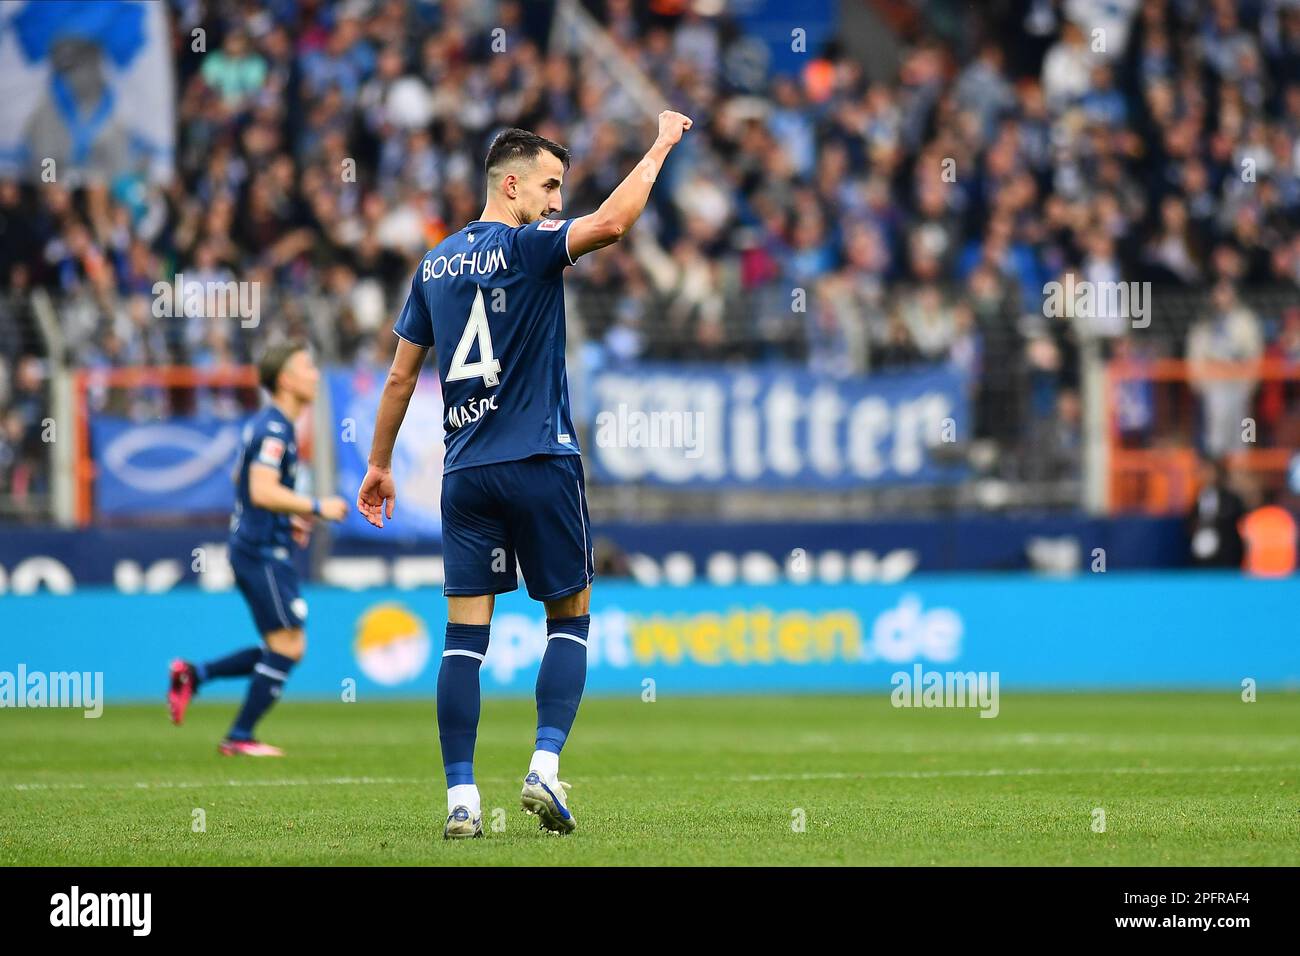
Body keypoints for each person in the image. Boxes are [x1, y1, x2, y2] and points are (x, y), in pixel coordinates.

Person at [356, 112, 694, 839]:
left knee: (461, 640)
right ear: (510, 185)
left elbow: (396, 380)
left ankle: (461, 801)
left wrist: (379, 464)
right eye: (547, 186)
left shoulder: (433, 265)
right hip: (541, 459)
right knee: (568, 618)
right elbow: (611, 224)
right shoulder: (530, 244)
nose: (554, 201)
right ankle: (543, 765)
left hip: (467, 471)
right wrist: (662, 143)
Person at [167, 342, 348, 755]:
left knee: (281, 646)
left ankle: (194, 675)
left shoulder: (265, 424)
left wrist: (287, 518)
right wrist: (316, 507)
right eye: (306, 366)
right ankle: (239, 735)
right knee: (290, 646)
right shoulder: (274, 429)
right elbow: (259, 488)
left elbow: (239, 478)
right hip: (262, 552)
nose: (315, 373)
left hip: (259, 546)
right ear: (284, 379)